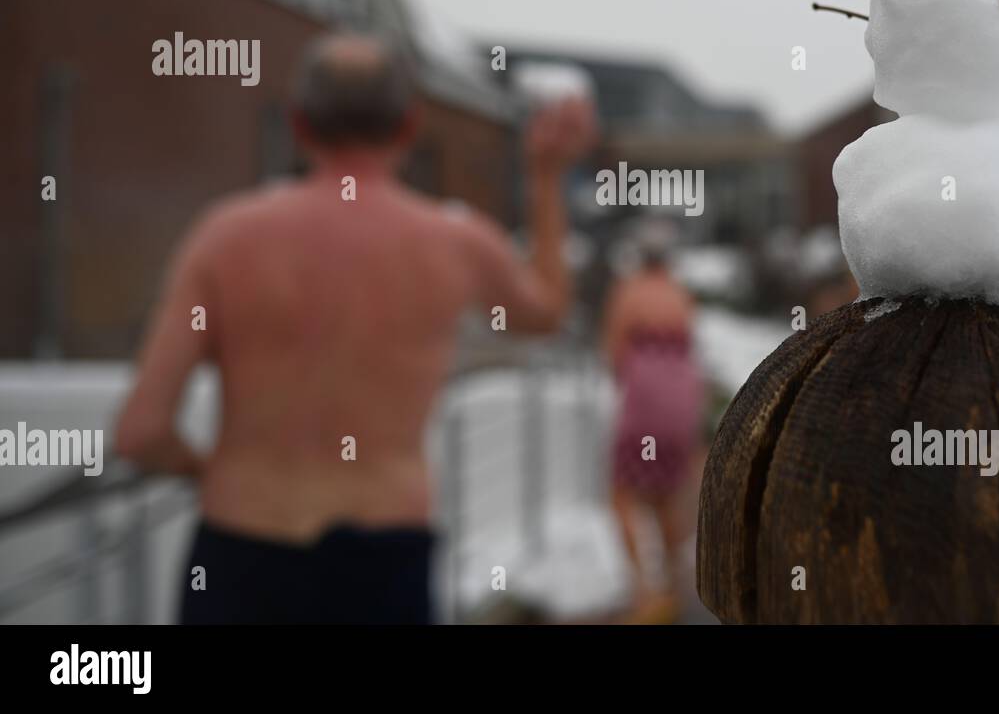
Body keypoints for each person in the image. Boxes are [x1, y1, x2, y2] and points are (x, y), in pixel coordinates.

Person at [114, 33, 596, 624]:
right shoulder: (453, 242)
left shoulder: (225, 236)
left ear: (299, 125)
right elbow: (545, 312)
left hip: (242, 551)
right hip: (384, 558)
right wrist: (546, 175)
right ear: (408, 127)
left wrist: (212, 471)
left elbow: (141, 431)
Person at [601, 223, 705, 622]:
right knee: (664, 493)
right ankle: (671, 586)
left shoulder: (629, 291)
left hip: (645, 396)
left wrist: (628, 383)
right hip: (682, 397)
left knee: (622, 494)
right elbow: (692, 348)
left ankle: (644, 588)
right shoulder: (679, 294)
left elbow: (613, 351)